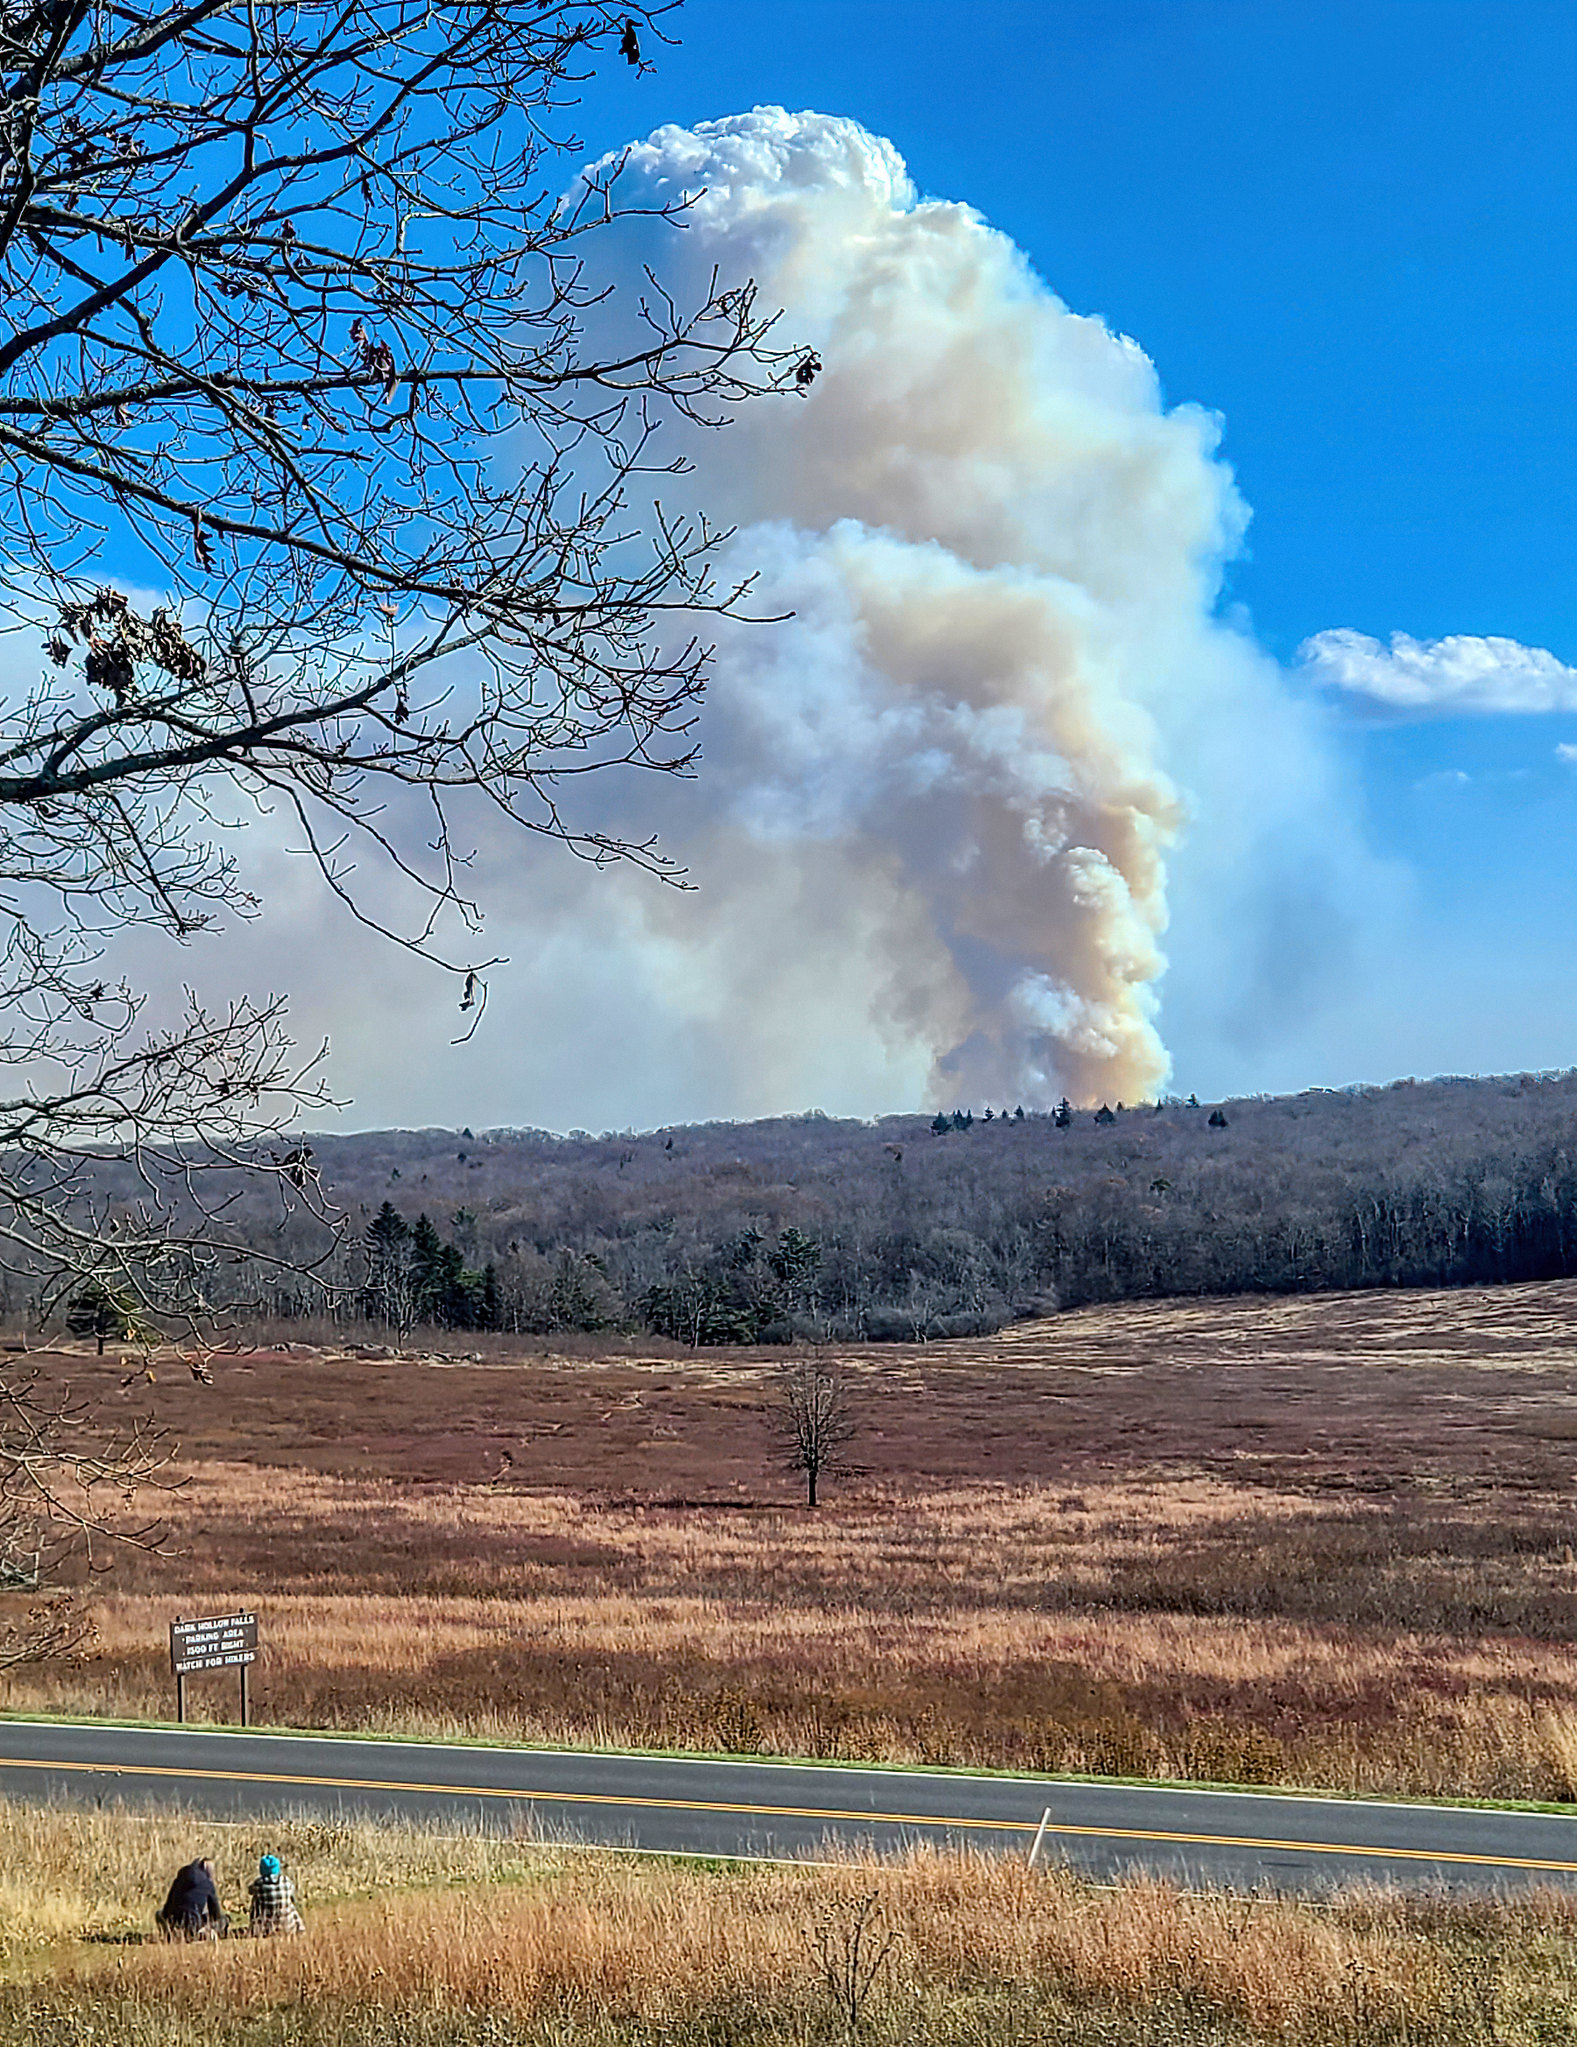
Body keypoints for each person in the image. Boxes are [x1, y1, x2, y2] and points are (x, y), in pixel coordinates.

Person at [156, 1857, 228, 1940]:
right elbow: (215, 1913)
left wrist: (167, 1919)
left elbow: (167, 1907)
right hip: (194, 1923)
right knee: (224, 1920)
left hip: (174, 1922)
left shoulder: (179, 1880)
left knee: (158, 1913)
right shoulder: (207, 1883)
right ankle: (203, 1932)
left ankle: (170, 1932)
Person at [248, 1851, 304, 1936]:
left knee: (256, 1899)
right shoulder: (286, 1880)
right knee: (289, 1903)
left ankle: (256, 1927)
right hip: (288, 1926)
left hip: (265, 1928)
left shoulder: (259, 1883)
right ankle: (298, 1927)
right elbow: (292, 1893)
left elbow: (250, 1891)